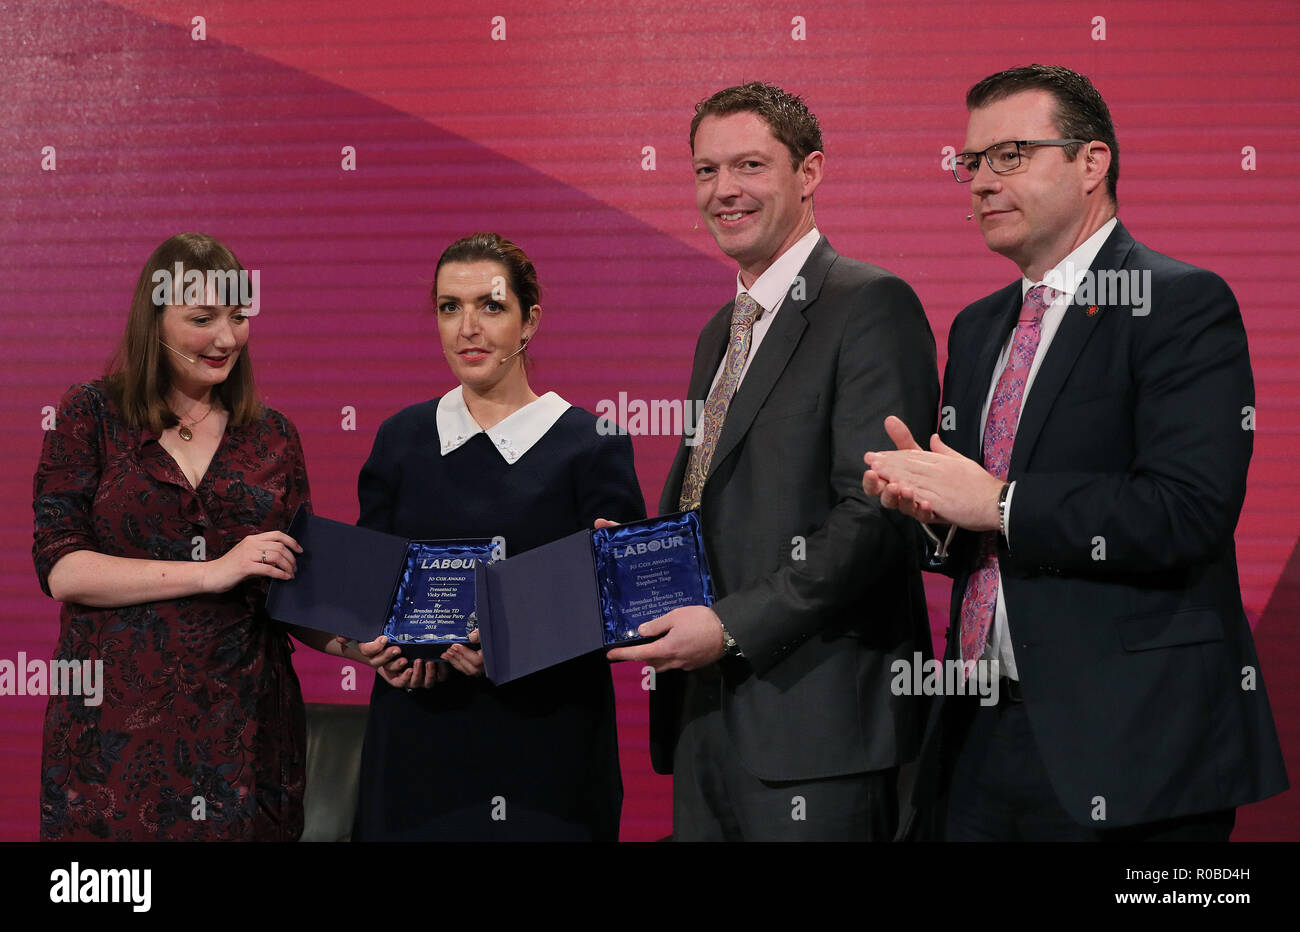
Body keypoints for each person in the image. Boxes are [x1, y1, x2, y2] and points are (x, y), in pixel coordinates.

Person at [864, 64, 1288, 841]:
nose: (983, 182)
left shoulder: (1179, 302)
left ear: (1092, 162)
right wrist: (928, 509)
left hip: (1128, 748)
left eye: (1012, 154)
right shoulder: (977, 327)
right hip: (978, 739)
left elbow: (1188, 510)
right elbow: (969, 526)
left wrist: (995, 502)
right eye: (972, 163)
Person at [606, 82, 939, 841]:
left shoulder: (871, 304)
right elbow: (726, 504)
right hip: (706, 719)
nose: (724, 191)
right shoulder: (722, 328)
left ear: (810, 172)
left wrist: (726, 627)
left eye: (749, 166)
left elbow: (875, 514)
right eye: (705, 171)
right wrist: (640, 557)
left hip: (818, 728)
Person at [350, 232, 645, 841]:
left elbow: (625, 604)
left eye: (490, 306)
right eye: (448, 307)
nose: (467, 329)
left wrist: (520, 643)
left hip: (549, 751)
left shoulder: (592, 444)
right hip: (415, 750)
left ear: (529, 320)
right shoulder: (399, 439)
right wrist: (376, 653)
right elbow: (367, 593)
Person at [32, 233, 311, 841]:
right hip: (114, 743)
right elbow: (63, 569)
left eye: (239, 317)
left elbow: (291, 586)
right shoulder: (89, 415)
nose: (226, 338)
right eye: (202, 318)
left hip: (248, 736)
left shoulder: (274, 437)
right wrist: (211, 570)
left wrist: (365, 644)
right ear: (155, 320)